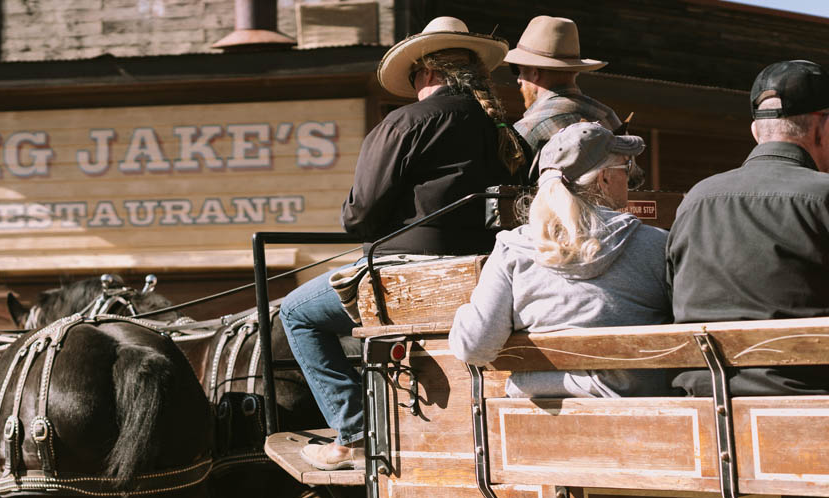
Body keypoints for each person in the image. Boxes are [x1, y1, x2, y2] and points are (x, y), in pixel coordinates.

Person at [282, 16, 526, 470]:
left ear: (428, 73)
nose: (413, 85)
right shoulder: (505, 131)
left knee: (295, 313)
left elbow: (359, 215)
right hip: (486, 275)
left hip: (413, 276)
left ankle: (353, 432)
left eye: (415, 76)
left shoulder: (409, 121)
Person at [449, 122, 672, 397]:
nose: (632, 179)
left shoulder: (514, 249)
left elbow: (473, 346)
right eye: (626, 169)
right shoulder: (655, 245)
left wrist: (463, 311)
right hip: (645, 420)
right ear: (603, 178)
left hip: (532, 420)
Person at [668, 60, 829, 396]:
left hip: (706, 405)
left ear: (756, 131)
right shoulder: (822, 196)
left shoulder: (694, 200)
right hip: (808, 405)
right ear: (822, 129)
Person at [505, 16, 621, 157]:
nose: (518, 80)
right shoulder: (608, 117)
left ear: (535, 73)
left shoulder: (530, 127)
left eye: (518, 71)